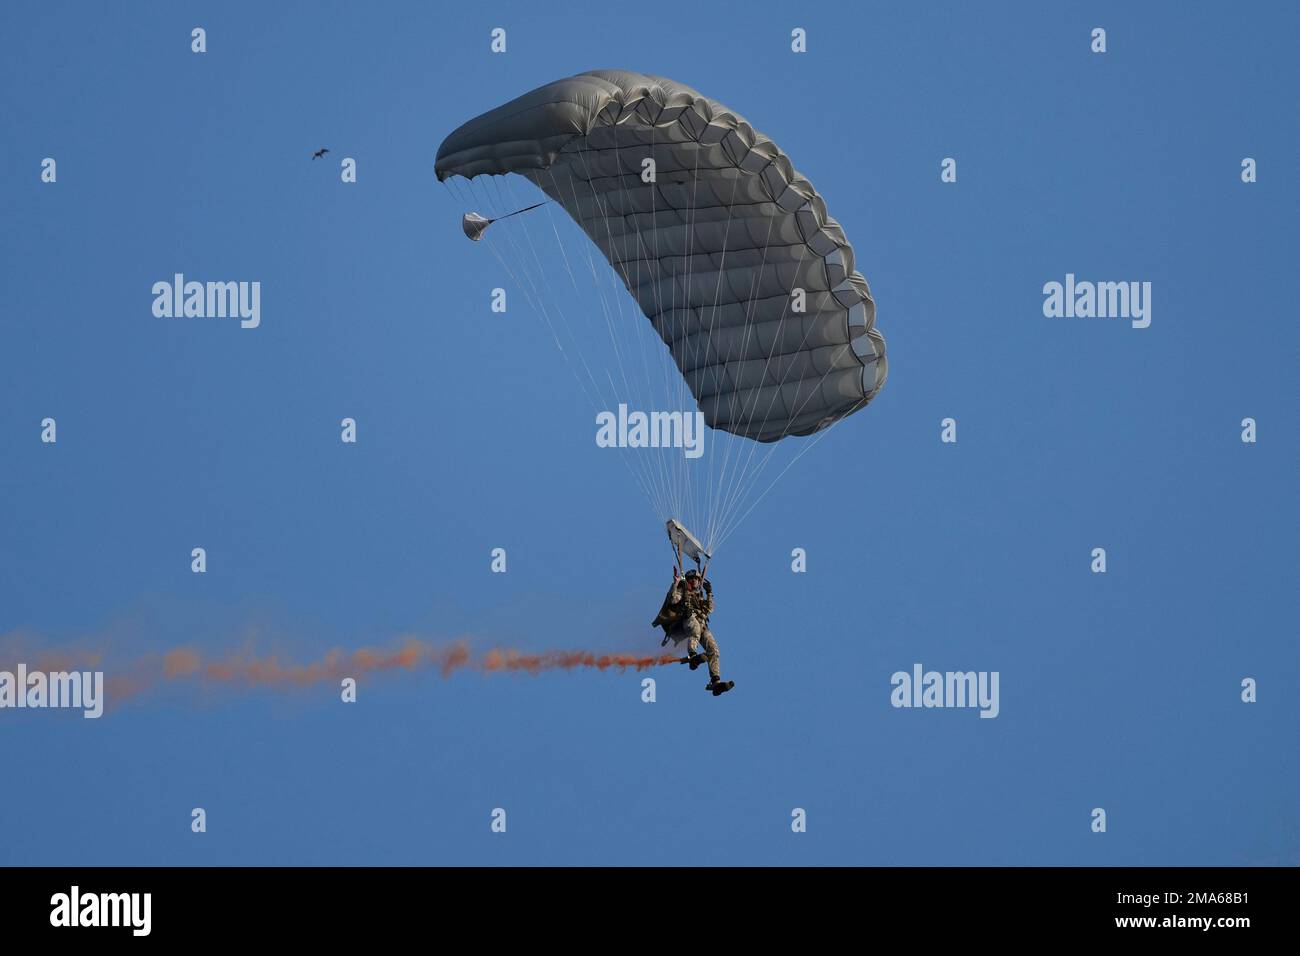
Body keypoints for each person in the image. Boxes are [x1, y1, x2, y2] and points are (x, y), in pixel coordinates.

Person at [652, 568, 724, 690]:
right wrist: (676, 583)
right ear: (689, 581)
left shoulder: (699, 596)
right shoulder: (683, 591)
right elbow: (673, 599)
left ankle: (715, 681)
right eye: (693, 579)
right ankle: (692, 655)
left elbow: (710, 609)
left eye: (697, 579)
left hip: (702, 624)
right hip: (688, 620)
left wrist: (709, 593)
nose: (695, 581)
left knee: (714, 649)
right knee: (695, 629)